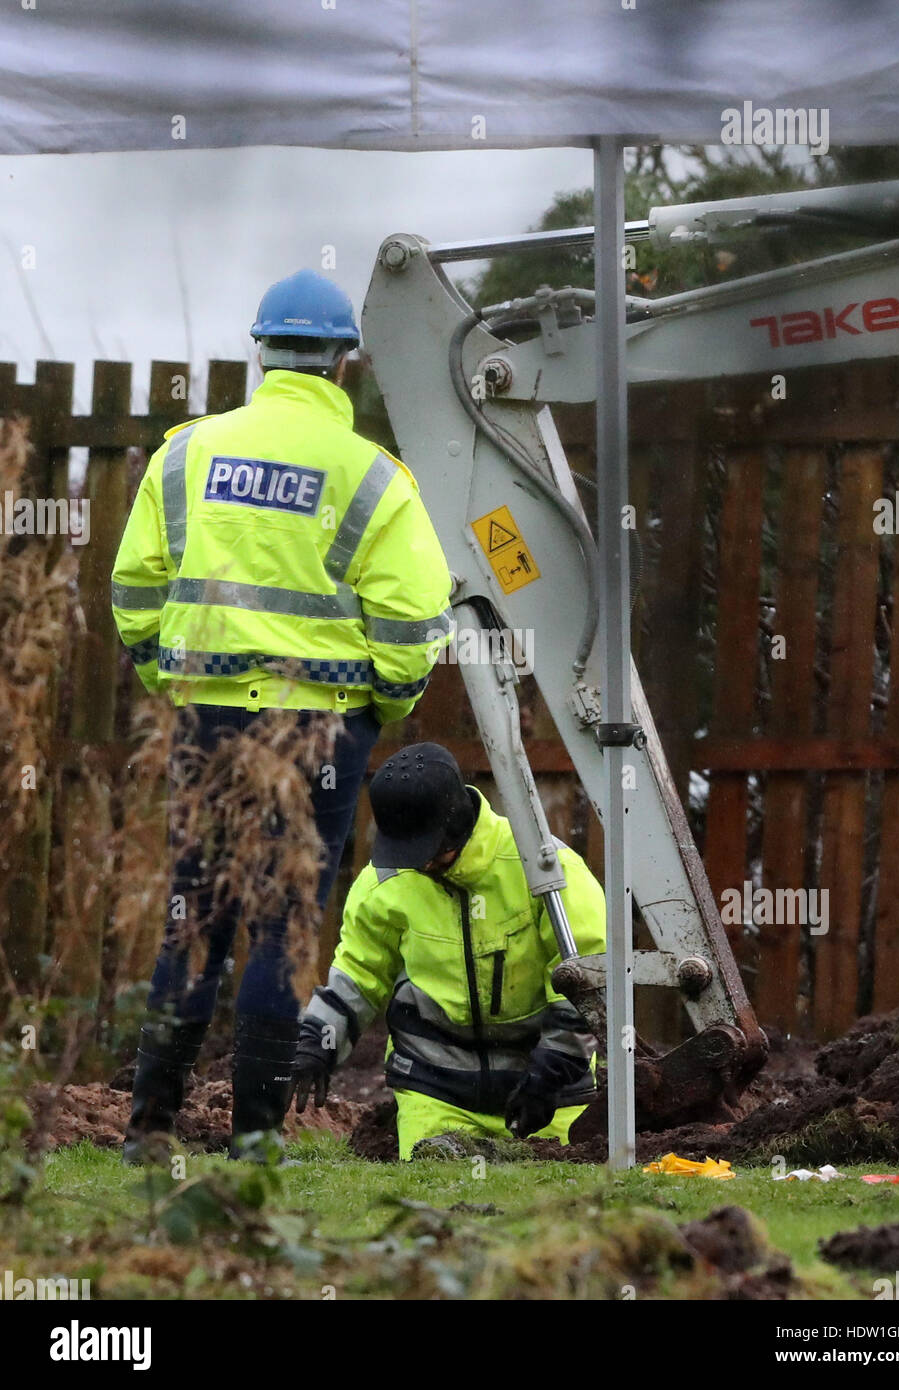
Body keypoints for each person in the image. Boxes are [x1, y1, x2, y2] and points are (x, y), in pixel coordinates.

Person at [111, 270, 453, 1162]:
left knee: (195, 913)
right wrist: (383, 704)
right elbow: (414, 624)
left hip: (206, 722)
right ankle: (256, 1142)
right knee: (283, 922)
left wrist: (171, 675)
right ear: (345, 365)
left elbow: (132, 590)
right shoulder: (376, 477)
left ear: (260, 352)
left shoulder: (184, 454)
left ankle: (148, 1128)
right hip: (322, 733)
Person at [292, 743, 606, 1159]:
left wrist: (554, 1069)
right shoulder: (384, 881)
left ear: (457, 828)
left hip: (549, 1092)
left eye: (426, 854)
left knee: (556, 1202)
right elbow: (358, 974)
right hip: (433, 1090)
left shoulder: (547, 867)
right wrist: (318, 1041)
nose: (418, 866)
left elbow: (587, 974)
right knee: (431, 1197)